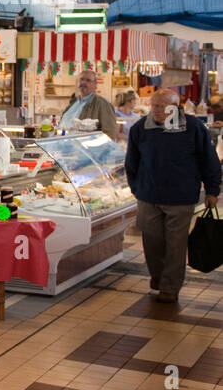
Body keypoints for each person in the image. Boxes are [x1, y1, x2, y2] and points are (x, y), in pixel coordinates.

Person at [125, 89, 221, 303]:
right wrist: (135, 187)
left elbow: (209, 159)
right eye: (154, 106)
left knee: (176, 244)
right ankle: (158, 276)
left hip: (181, 196)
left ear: (175, 107)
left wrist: (213, 190)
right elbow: (132, 160)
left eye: (161, 106)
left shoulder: (193, 127)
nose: (156, 111)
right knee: (151, 241)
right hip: (148, 195)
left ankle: (170, 286)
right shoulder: (141, 128)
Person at [59, 69, 118, 139]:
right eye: (81, 79)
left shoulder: (103, 104)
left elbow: (110, 134)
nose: (83, 82)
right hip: (63, 145)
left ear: (95, 84)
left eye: (88, 80)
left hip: (84, 148)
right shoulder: (73, 102)